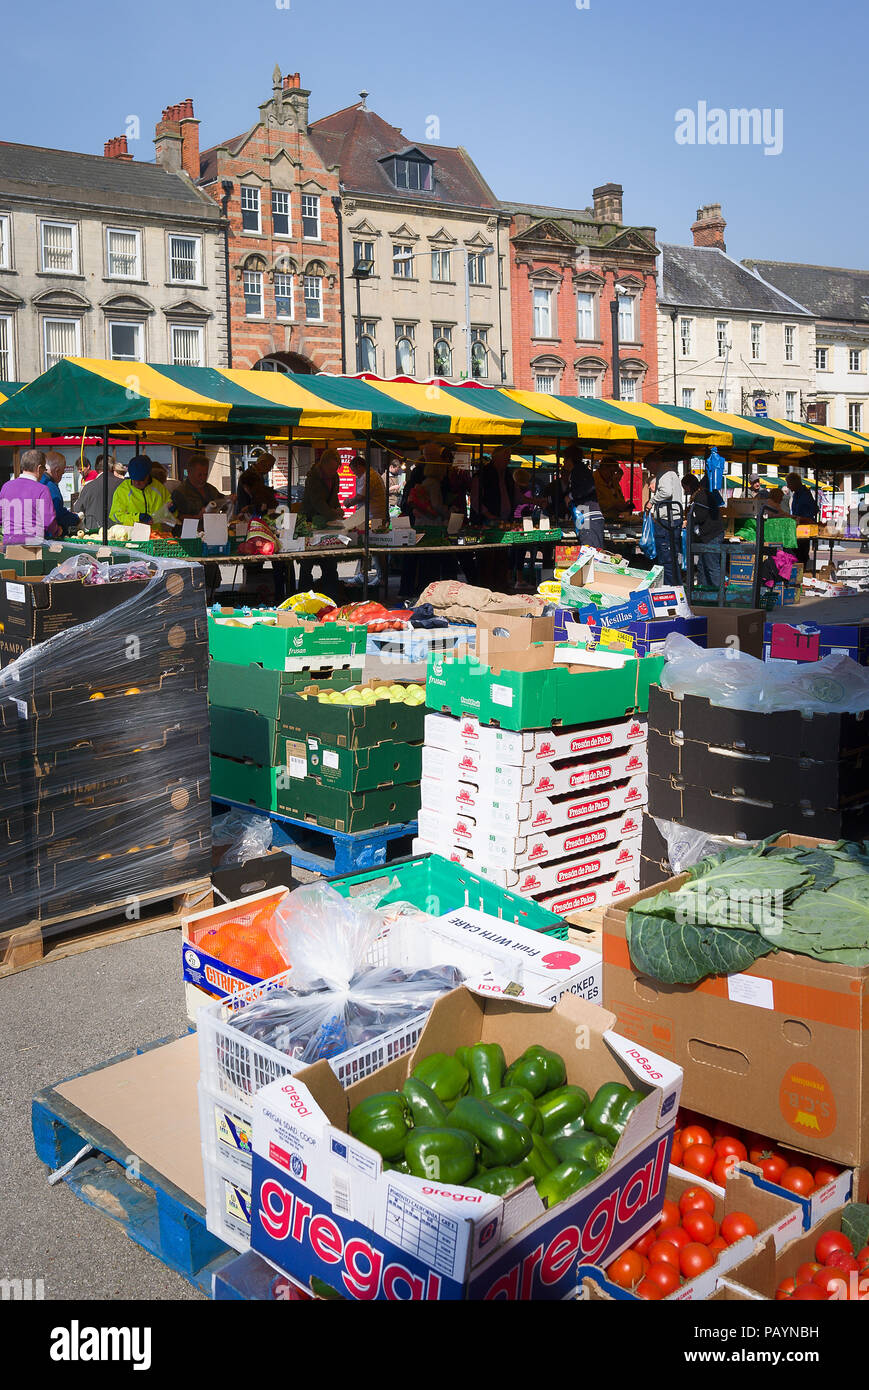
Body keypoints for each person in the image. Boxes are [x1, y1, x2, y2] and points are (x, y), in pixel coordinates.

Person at [297, 448, 344, 597]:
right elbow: (318, 502)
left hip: (326, 523)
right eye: (330, 468)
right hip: (308, 521)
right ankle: (304, 597)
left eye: (335, 469)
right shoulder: (313, 477)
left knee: (329, 562)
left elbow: (334, 497)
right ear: (322, 464)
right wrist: (333, 514)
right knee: (306, 564)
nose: (333, 471)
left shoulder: (335, 477)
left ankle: (331, 597)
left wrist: (338, 509)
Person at [0, 449, 59, 545]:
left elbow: (1, 516)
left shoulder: (6, 486)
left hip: (9, 544)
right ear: (39, 468)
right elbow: (48, 521)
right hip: (33, 546)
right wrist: (57, 531)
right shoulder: (42, 489)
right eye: (44, 468)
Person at [646, 455, 684, 585]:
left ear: (654, 463)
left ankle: (669, 587)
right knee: (671, 559)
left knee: (666, 559)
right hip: (671, 521)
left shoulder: (665, 473)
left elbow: (666, 492)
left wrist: (651, 501)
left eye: (648, 466)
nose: (650, 471)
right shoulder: (670, 473)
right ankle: (675, 586)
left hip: (668, 522)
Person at [683, 473, 725, 591]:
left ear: (689, 486)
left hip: (712, 535)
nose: (684, 490)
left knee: (711, 566)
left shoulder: (701, 496)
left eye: (685, 487)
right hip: (708, 536)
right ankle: (705, 592)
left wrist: (689, 521)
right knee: (703, 566)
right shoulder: (701, 495)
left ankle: (719, 594)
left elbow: (701, 516)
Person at [109, 455, 172, 528]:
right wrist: (137, 517)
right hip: (131, 536)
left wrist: (172, 509)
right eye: (134, 479)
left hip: (154, 535)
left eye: (141, 480)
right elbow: (115, 515)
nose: (137, 483)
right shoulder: (122, 489)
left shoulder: (159, 488)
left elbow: (169, 505)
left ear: (148, 475)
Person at [563, 444, 604, 549]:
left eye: (565, 459)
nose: (563, 462)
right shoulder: (576, 471)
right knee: (585, 546)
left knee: (590, 550)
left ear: (570, 459)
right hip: (583, 515)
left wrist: (570, 496)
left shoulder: (580, 470)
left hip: (588, 516)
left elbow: (589, 487)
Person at [75, 455, 124, 533]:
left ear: (96, 468)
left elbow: (77, 509)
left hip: (94, 534)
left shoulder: (88, 487)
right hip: (119, 533)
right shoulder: (123, 485)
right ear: (113, 468)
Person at [171, 453, 226, 520]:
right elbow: (174, 517)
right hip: (189, 529)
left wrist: (229, 499)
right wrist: (196, 517)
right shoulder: (179, 493)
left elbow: (223, 502)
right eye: (199, 475)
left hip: (211, 527)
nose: (203, 478)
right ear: (189, 472)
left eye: (205, 474)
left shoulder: (211, 489)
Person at [470, 446, 516, 525]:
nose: (508, 462)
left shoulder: (508, 475)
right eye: (506, 459)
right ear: (496, 458)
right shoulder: (482, 475)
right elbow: (475, 501)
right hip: (485, 522)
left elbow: (517, 495)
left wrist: (535, 501)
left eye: (509, 459)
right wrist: (491, 517)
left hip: (504, 521)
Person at [41, 451, 80, 536]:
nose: (61, 477)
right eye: (62, 473)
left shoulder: (36, 481)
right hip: (48, 538)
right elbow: (58, 514)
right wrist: (76, 518)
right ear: (57, 471)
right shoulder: (50, 487)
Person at [787, 471, 819, 566]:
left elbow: (814, 509)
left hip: (804, 530)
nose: (788, 486)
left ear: (794, 483)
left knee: (801, 556)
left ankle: (801, 574)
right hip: (797, 529)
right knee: (795, 555)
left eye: (789, 484)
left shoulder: (805, 494)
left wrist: (802, 518)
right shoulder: (796, 494)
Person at [347, 452, 388, 524]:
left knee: (373, 534)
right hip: (378, 514)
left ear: (359, 467)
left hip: (372, 516)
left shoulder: (366, 476)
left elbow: (361, 497)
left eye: (354, 470)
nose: (354, 473)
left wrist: (349, 502)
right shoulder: (373, 473)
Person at [236, 451, 277, 515]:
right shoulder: (250, 475)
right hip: (245, 514)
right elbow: (256, 496)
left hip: (249, 513)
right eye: (270, 466)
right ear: (262, 463)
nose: (270, 469)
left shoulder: (257, 474)